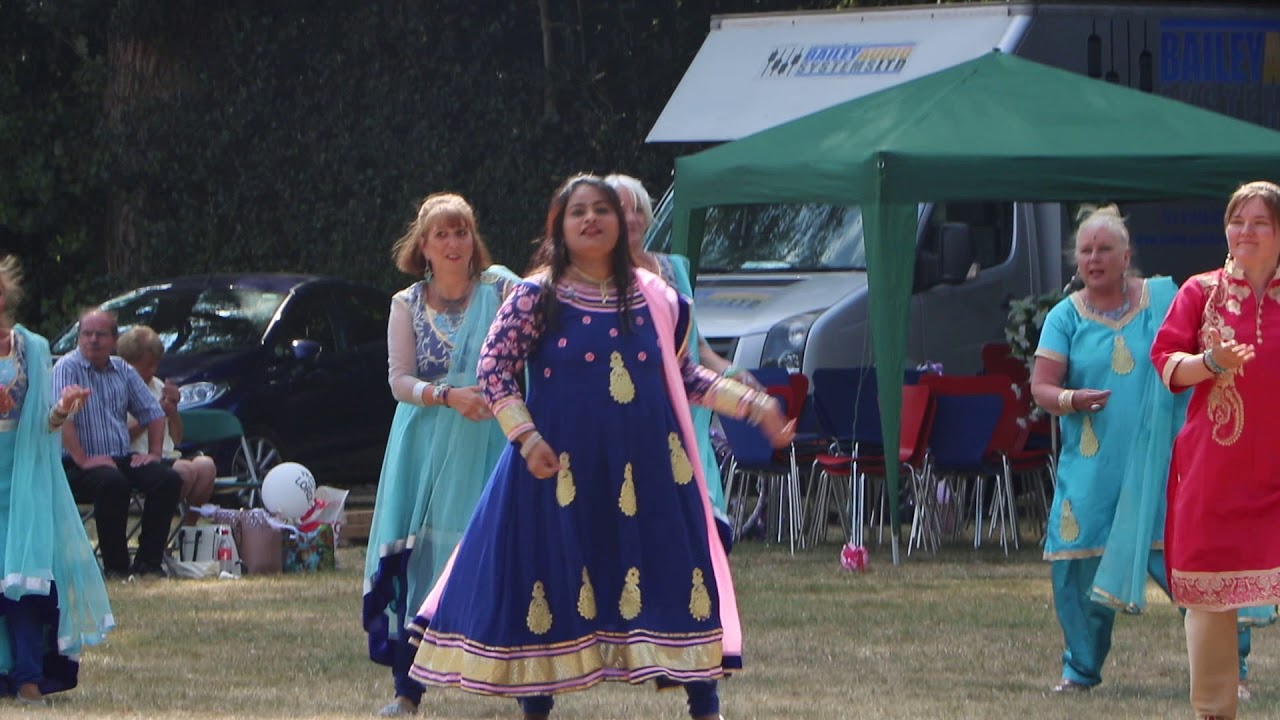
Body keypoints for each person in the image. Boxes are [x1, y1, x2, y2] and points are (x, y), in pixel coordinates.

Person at [406, 174, 794, 720]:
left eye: (601, 210)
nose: (590, 219)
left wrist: (756, 407)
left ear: (620, 223)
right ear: (559, 228)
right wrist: (526, 438)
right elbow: (494, 371)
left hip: (651, 468)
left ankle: (705, 707)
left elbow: (684, 376)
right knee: (545, 577)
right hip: (557, 468)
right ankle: (536, 710)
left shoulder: (659, 298)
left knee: (676, 571)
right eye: (578, 211)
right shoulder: (536, 296)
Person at [1030, 205, 1260, 694]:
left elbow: (1207, 351)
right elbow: (1042, 387)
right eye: (1086, 250)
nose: (1094, 258)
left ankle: (1229, 671)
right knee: (1077, 565)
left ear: (1126, 255)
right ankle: (1079, 671)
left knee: (1197, 567)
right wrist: (1072, 399)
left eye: (1104, 249)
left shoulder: (1165, 300)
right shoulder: (1064, 317)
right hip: (1093, 468)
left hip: (1169, 464)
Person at [362, 193, 520, 717]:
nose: (453, 243)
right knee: (416, 559)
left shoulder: (501, 290)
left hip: (490, 438)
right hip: (425, 442)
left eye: (461, 232)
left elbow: (541, 323)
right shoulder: (406, 303)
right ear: (423, 247)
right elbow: (399, 380)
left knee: (505, 551)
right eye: (442, 234)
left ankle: (530, 690)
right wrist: (448, 396)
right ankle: (407, 692)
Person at [1151, 180, 1280, 720]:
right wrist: (1211, 362)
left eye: (1259, 222)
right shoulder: (1200, 292)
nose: (1245, 231)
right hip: (1216, 468)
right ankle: (1213, 711)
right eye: (1236, 220)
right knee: (1209, 594)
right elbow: (1165, 363)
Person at [604, 173, 761, 517]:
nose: (631, 218)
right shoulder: (599, 281)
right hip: (634, 413)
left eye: (637, 209)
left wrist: (733, 373)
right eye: (621, 210)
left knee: (699, 511)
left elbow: (696, 347)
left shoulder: (673, 268)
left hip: (686, 411)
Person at [0, 256, 114, 706]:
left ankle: (29, 676)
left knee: (26, 579)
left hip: (25, 479)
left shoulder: (30, 347)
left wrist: (64, 408)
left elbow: (46, 422)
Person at [53, 309, 183, 580]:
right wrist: (83, 459)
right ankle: (117, 568)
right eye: (87, 334)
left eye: (100, 335)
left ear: (114, 340)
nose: (93, 340)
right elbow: (63, 419)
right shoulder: (67, 367)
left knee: (167, 479)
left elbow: (153, 412)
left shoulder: (122, 369)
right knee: (113, 483)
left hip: (119, 457)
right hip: (75, 462)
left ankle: (148, 563)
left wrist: (154, 453)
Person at [116, 325, 216, 526]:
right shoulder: (117, 389)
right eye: (147, 365)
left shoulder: (158, 386)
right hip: (135, 459)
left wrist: (173, 411)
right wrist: (154, 414)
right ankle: (155, 530)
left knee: (206, 467)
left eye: (155, 364)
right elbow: (119, 438)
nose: (152, 371)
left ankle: (186, 531)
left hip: (167, 455)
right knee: (184, 472)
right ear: (128, 363)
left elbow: (177, 439)